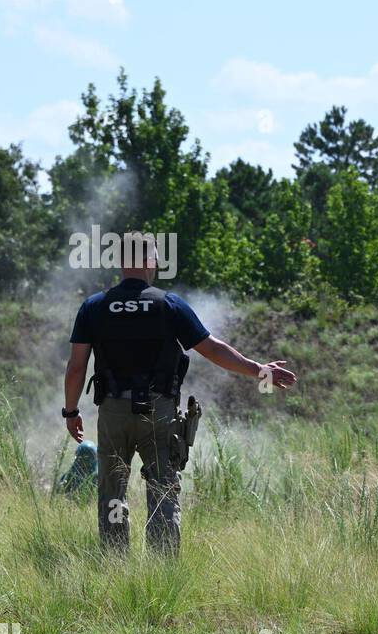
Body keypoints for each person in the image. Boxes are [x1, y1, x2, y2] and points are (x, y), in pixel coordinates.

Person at [62, 234, 296, 553]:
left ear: (119, 262)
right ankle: (162, 571)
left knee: (112, 493)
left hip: (113, 412)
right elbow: (212, 349)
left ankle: (114, 566)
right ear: (150, 262)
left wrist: (71, 412)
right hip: (158, 413)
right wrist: (260, 370)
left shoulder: (94, 306)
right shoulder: (168, 304)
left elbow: (77, 367)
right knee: (162, 491)